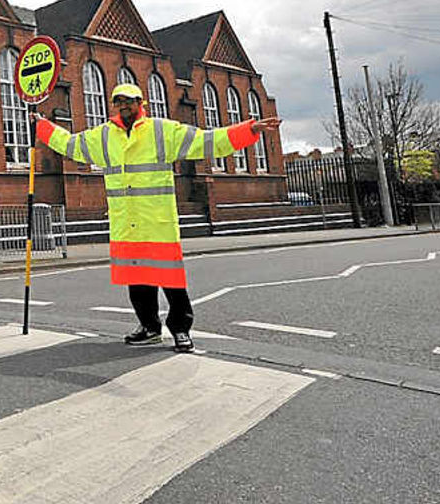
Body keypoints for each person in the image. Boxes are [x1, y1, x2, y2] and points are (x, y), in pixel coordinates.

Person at [32, 82, 281, 353]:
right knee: (137, 281)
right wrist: (43, 127)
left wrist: (248, 130)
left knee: (172, 281)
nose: (124, 105)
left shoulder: (163, 130)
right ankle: (149, 327)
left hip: (157, 223)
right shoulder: (103, 136)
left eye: (129, 100)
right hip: (126, 224)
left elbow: (206, 141)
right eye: (119, 101)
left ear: (141, 103)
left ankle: (181, 330)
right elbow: (71, 145)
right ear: (113, 105)